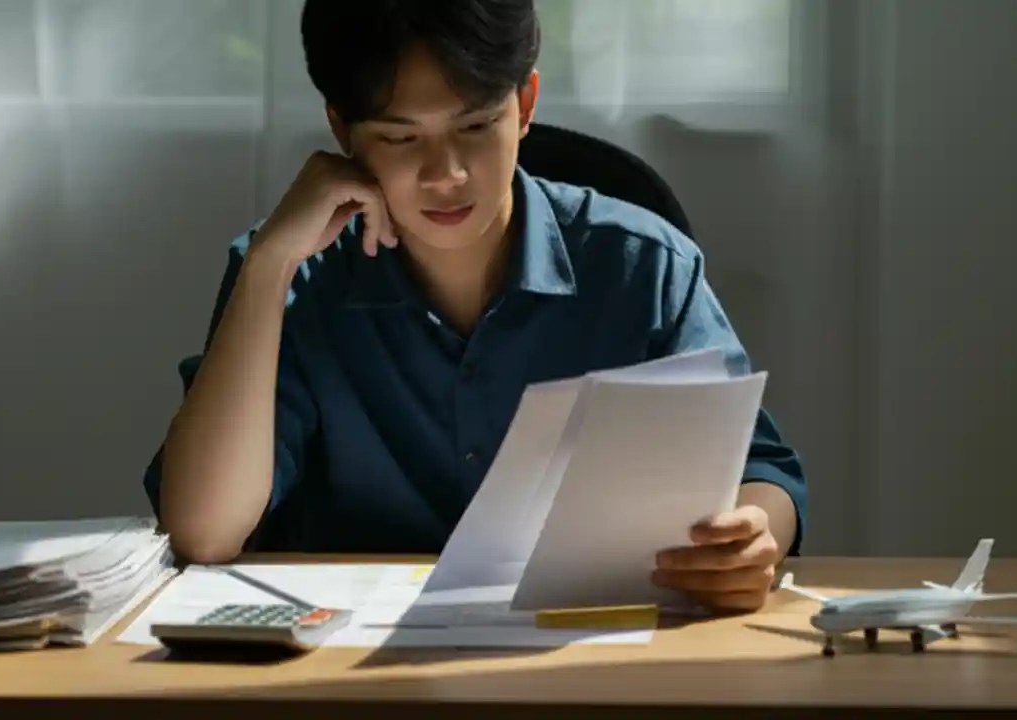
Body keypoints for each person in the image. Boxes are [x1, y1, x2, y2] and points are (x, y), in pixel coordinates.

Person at [143, 0, 807, 613]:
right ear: (342, 131)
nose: (446, 174)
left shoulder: (642, 266)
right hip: (340, 682)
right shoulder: (296, 279)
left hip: (586, 662)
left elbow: (761, 472)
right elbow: (203, 532)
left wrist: (753, 535)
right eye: (402, 139)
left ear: (524, 104)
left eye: (476, 126)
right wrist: (266, 265)